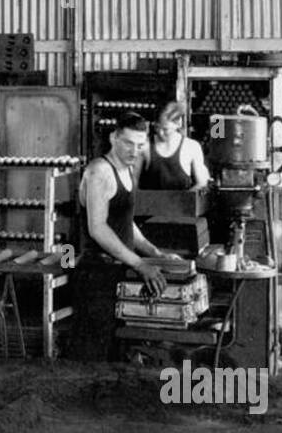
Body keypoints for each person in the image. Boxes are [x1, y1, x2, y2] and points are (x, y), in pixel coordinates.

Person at [68, 112, 174, 362]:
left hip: (117, 272)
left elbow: (124, 223)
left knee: (118, 354)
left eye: (139, 145)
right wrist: (139, 264)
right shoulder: (99, 172)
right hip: (95, 276)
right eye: (128, 143)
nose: (134, 151)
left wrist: (154, 253)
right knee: (93, 356)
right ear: (113, 138)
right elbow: (98, 228)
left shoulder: (126, 171)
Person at [139, 101, 210, 190]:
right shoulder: (144, 146)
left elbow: (202, 183)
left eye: (165, 129)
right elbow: (133, 182)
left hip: (182, 202)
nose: (160, 133)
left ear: (178, 123)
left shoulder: (192, 148)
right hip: (150, 203)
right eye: (157, 128)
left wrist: (181, 200)